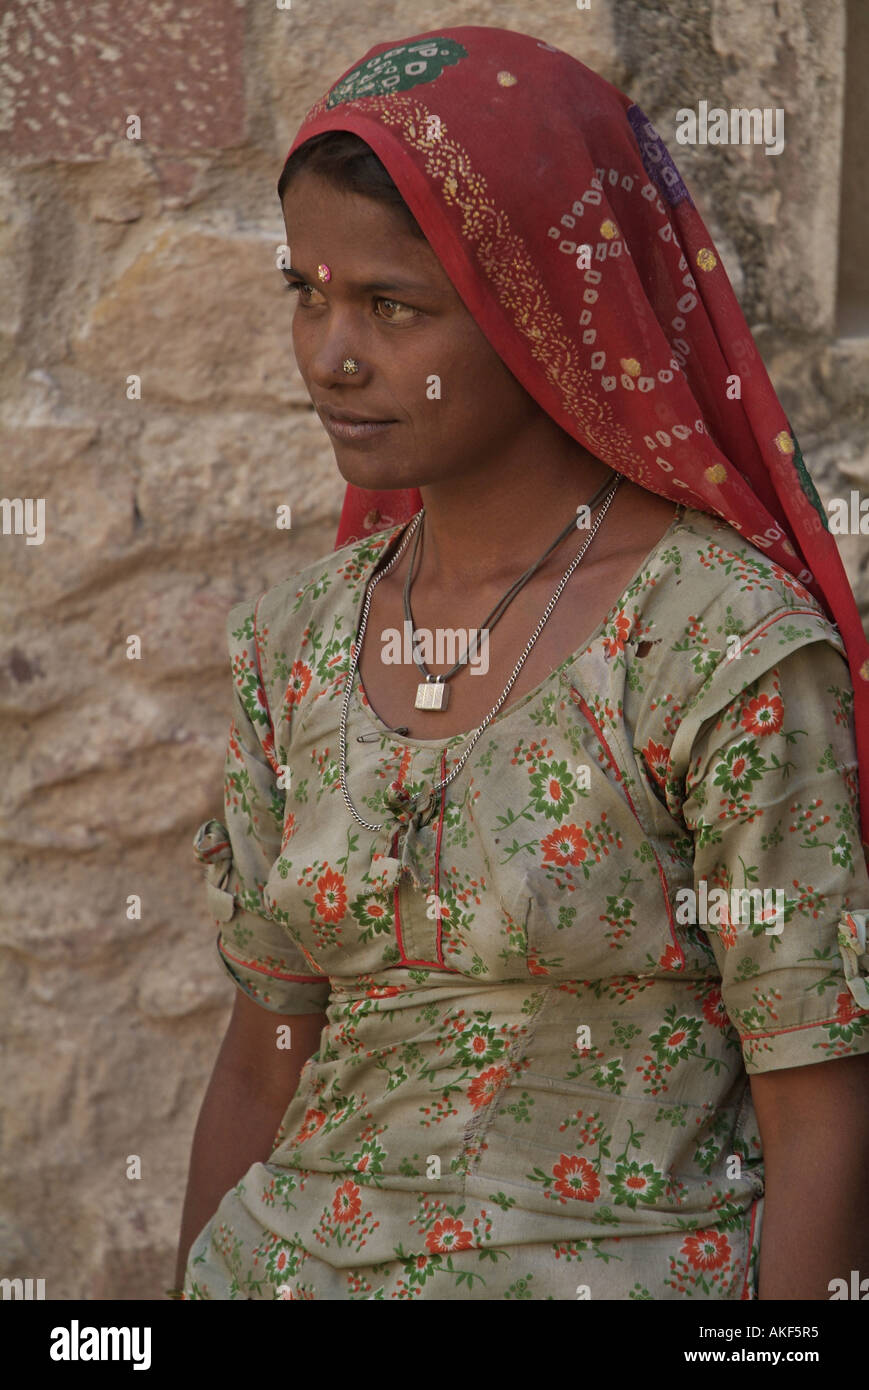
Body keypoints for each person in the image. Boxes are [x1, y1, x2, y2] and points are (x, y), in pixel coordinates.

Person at [174, 25, 869, 1300]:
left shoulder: (714, 647)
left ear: (539, 306)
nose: (329, 356)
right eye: (306, 292)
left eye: (391, 306)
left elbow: (818, 1104)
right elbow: (262, 1055)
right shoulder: (296, 646)